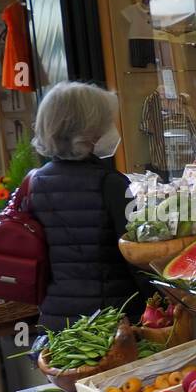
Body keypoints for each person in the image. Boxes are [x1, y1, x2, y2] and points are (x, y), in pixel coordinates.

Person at [30, 81, 139, 331]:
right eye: (106, 121)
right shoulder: (110, 183)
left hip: (57, 324)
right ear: (89, 130)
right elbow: (136, 255)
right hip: (112, 321)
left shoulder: (34, 183)